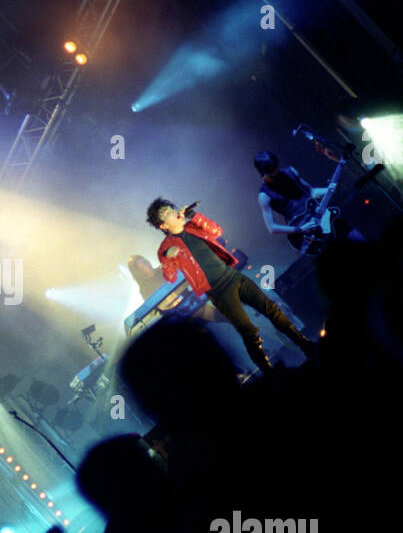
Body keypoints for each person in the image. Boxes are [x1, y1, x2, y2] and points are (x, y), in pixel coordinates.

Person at [146, 198, 316, 374]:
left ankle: (306, 345)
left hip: (232, 276)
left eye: (171, 208)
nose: (173, 212)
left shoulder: (193, 226)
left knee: (271, 309)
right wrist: (168, 258)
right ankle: (268, 372)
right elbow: (171, 277)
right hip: (217, 290)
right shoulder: (165, 248)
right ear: (163, 226)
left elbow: (216, 231)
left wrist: (195, 216)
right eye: (167, 214)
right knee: (248, 330)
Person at [254, 151, 365, 247]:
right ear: (264, 172)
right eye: (273, 170)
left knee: (360, 241)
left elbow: (311, 192)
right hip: (310, 233)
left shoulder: (290, 172)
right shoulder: (264, 195)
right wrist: (300, 229)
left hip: (325, 217)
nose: (278, 170)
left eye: (277, 166)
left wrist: (328, 190)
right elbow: (272, 228)